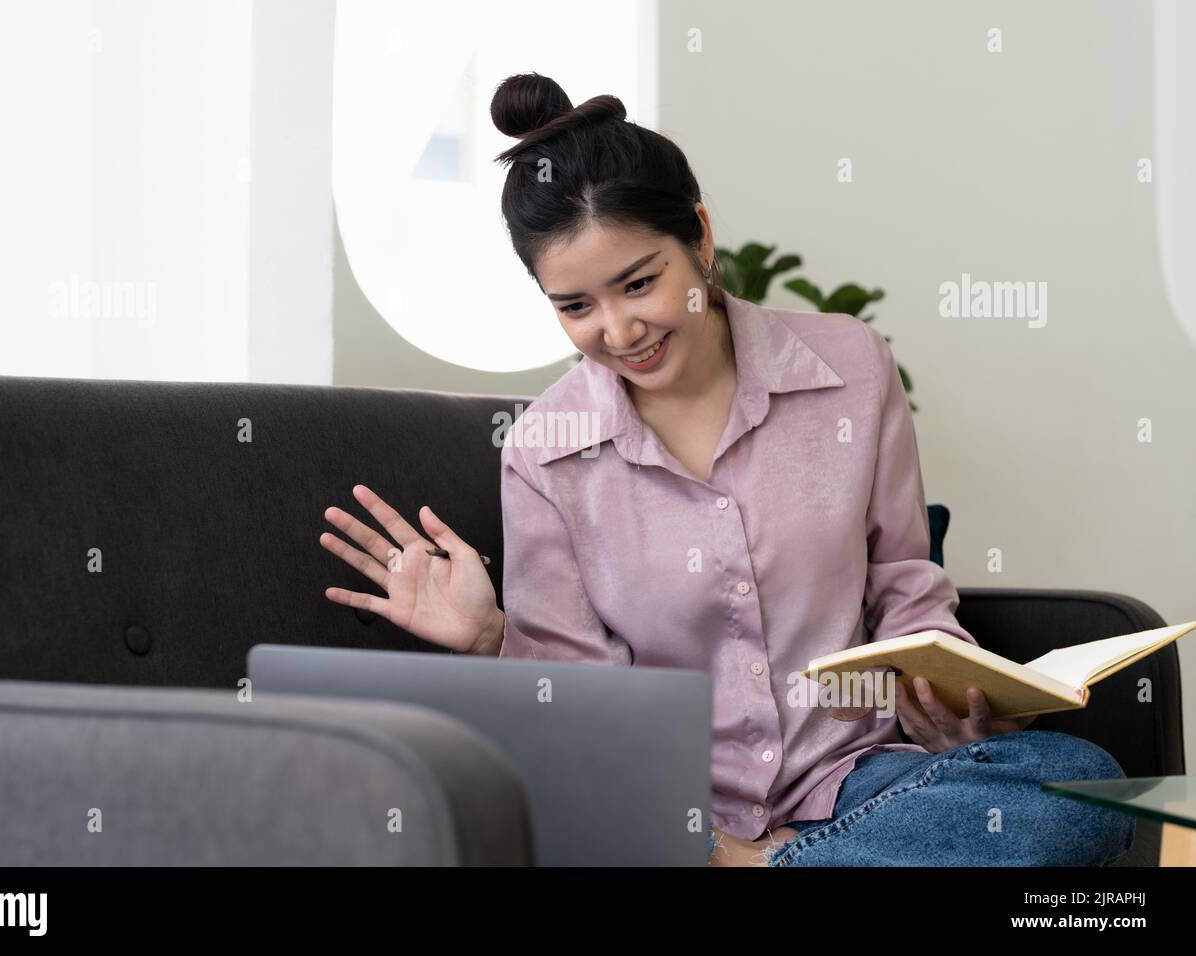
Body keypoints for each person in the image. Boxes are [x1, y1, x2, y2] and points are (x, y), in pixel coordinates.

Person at [318, 72, 1136, 867]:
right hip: (676, 817)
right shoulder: (544, 450)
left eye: (640, 283)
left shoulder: (849, 364)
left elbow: (901, 579)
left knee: (1084, 787)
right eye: (575, 306)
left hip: (851, 780)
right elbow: (581, 706)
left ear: (700, 238)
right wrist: (493, 641)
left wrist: (949, 697)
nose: (618, 329)